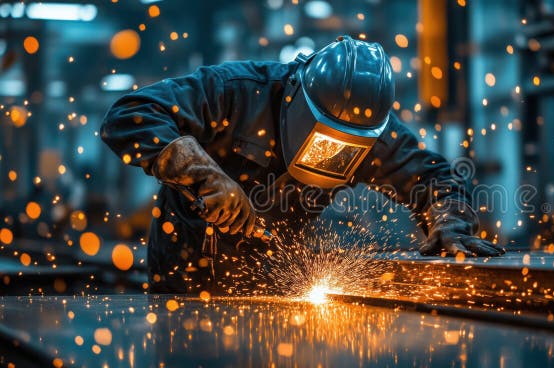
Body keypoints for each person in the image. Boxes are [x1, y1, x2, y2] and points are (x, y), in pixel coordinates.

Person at [101, 35, 504, 294]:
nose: (330, 156)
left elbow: (434, 177)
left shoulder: (373, 134)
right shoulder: (235, 93)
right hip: (184, 279)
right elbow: (130, 114)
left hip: (277, 284)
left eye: (348, 148)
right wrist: (205, 175)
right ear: (298, 102)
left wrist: (450, 220)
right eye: (327, 139)